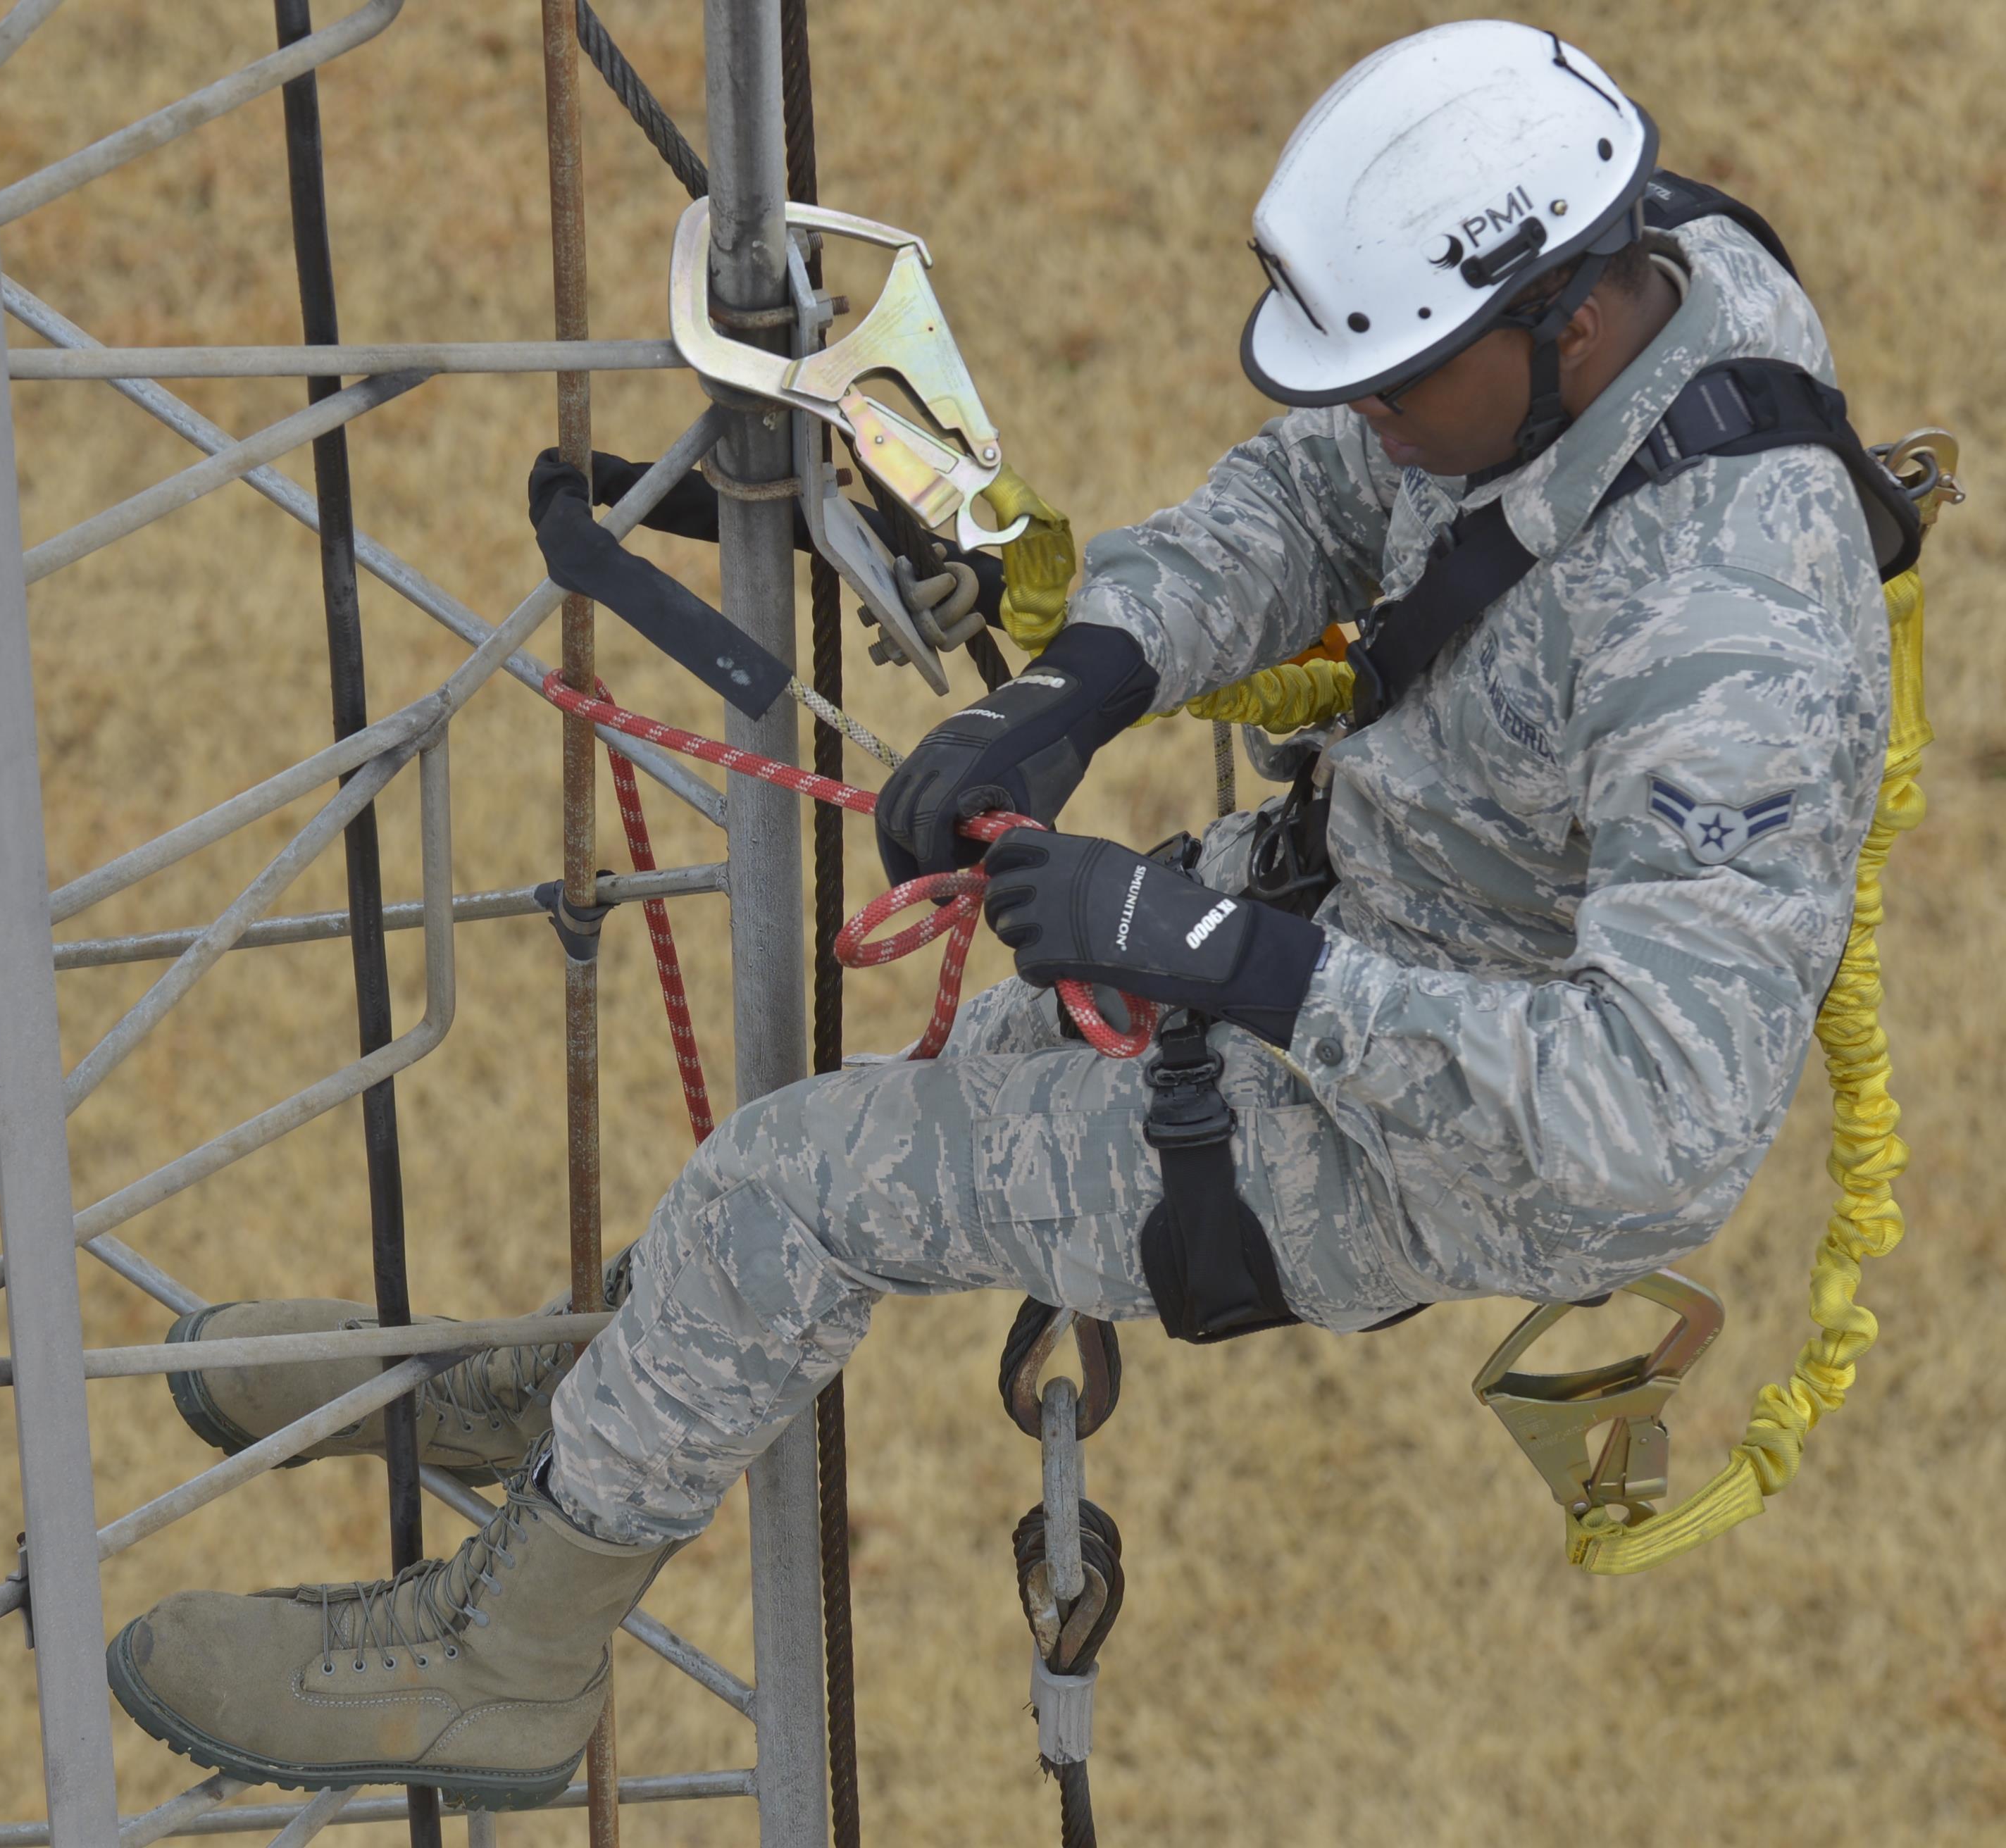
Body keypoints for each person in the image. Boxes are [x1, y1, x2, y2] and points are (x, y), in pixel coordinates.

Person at [104, 20, 1894, 1809]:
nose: (1367, 413)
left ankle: (508, 1665)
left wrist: (1229, 959)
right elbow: (1320, 496)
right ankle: (595, 1401)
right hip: (1362, 927)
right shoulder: (1597, 302)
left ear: (1564, 321)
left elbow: (1656, 1125)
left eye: (1397, 383)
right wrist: (1078, 685)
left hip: (1443, 1141)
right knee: (920, 1100)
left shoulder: (1733, 640)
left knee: (794, 1183)